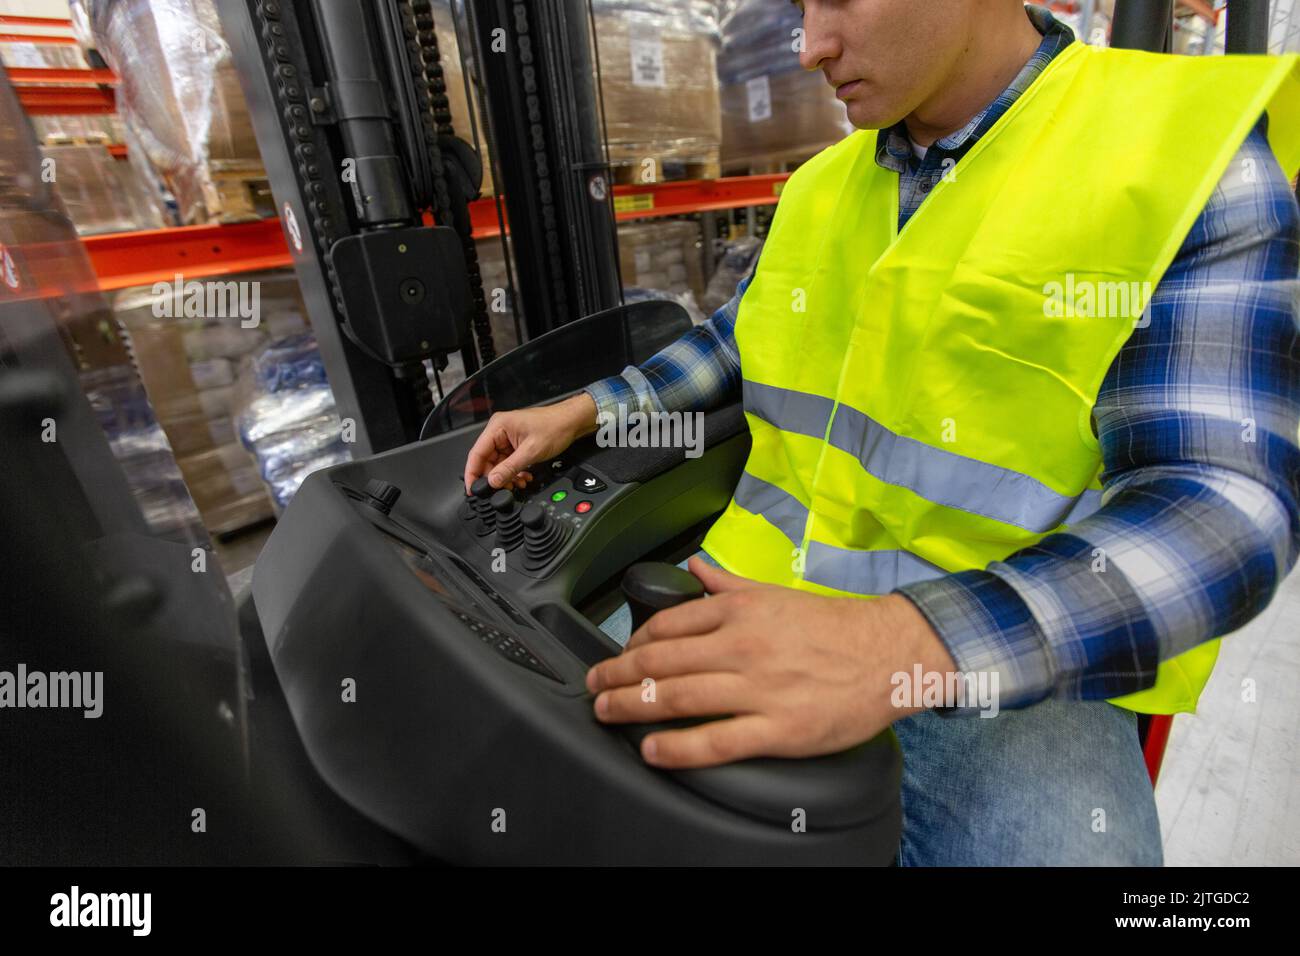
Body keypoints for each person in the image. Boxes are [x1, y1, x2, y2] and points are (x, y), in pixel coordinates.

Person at [464, 1, 1300, 865]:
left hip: (1002, 662)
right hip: (744, 592)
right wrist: (598, 406)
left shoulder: (1184, 160)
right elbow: (740, 339)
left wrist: (906, 644)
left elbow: (1221, 502)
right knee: (524, 771)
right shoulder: (821, 185)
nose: (810, 46)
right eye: (798, 7)